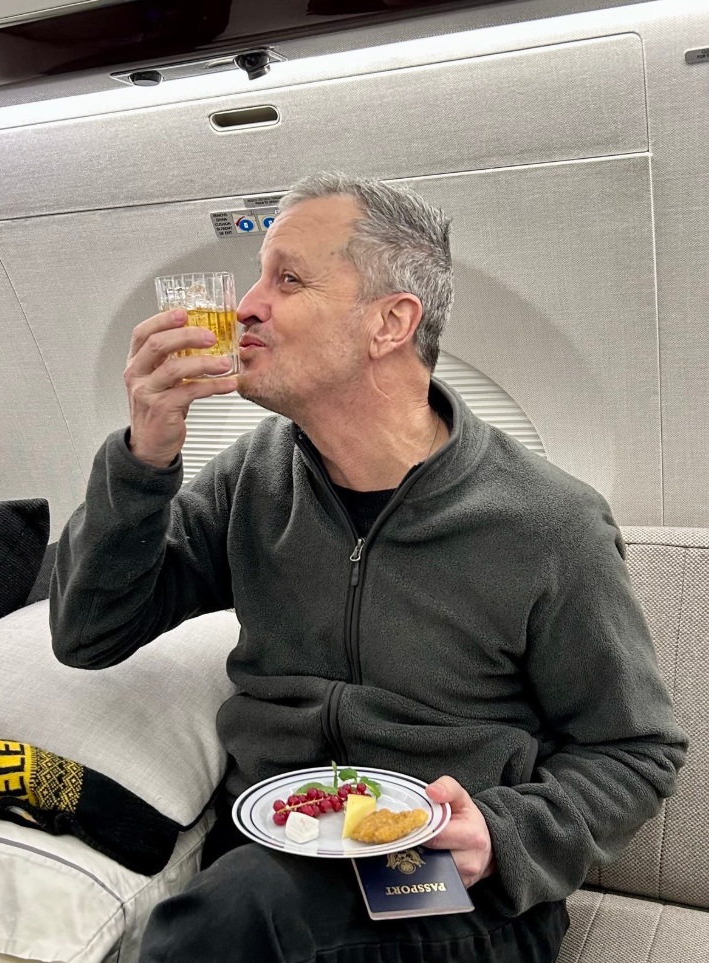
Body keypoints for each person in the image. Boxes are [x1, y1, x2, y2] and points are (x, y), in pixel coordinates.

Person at [50, 172, 687, 963]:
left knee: (229, 922)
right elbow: (87, 632)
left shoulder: (549, 524)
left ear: (391, 321)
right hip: (269, 847)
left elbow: (636, 749)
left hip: (441, 873)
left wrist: (502, 832)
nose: (247, 305)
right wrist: (145, 458)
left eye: (286, 278)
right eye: (256, 276)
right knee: (239, 904)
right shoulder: (252, 478)